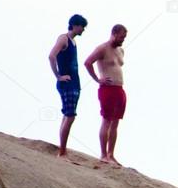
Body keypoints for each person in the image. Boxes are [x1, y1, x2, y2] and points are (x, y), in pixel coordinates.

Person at [84, 25, 128, 166]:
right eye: (121, 37)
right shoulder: (102, 48)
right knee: (107, 120)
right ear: (114, 34)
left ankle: (111, 154)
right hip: (107, 89)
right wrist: (98, 79)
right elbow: (87, 62)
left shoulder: (121, 50)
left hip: (119, 89)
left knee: (116, 123)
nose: (123, 40)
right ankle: (103, 154)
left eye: (124, 37)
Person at [48, 14, 88, 158]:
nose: (83, 30)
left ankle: (62, 149)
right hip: (67, 83)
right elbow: (51, 56)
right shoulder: (63, 38)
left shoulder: (73, 42)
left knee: (68, 115)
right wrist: (58, 76)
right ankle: (62, 152)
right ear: (75, 25)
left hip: (74, 83)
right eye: (82, 26)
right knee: (70, 116)